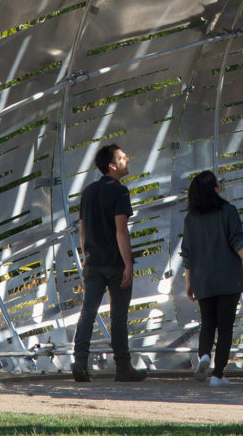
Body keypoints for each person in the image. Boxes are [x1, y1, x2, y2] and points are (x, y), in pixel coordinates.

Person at [181, 170, 243, 387]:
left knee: (207, 323)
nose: (221, 183)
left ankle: (204, 356)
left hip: (202, 279)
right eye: (218, 181)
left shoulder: (190, 219)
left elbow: (187, 254)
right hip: (228, 278)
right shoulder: (228, 211)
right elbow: (238, 242)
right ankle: (218, 375)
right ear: (213, 188)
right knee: (225, 327)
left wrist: (189, 283)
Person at [72, 143, 147, 382]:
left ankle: (80, 361)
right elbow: (121, 231)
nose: (128, 160)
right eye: (123, 158)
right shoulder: (120, 191)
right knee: (118, 316)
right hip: (115, 262)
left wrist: (86, 257)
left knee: (88, 311)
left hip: (93, 262)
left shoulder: (88, 192)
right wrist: (128, 264)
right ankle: (123, 367)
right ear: (112, 165)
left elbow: (82, 230)